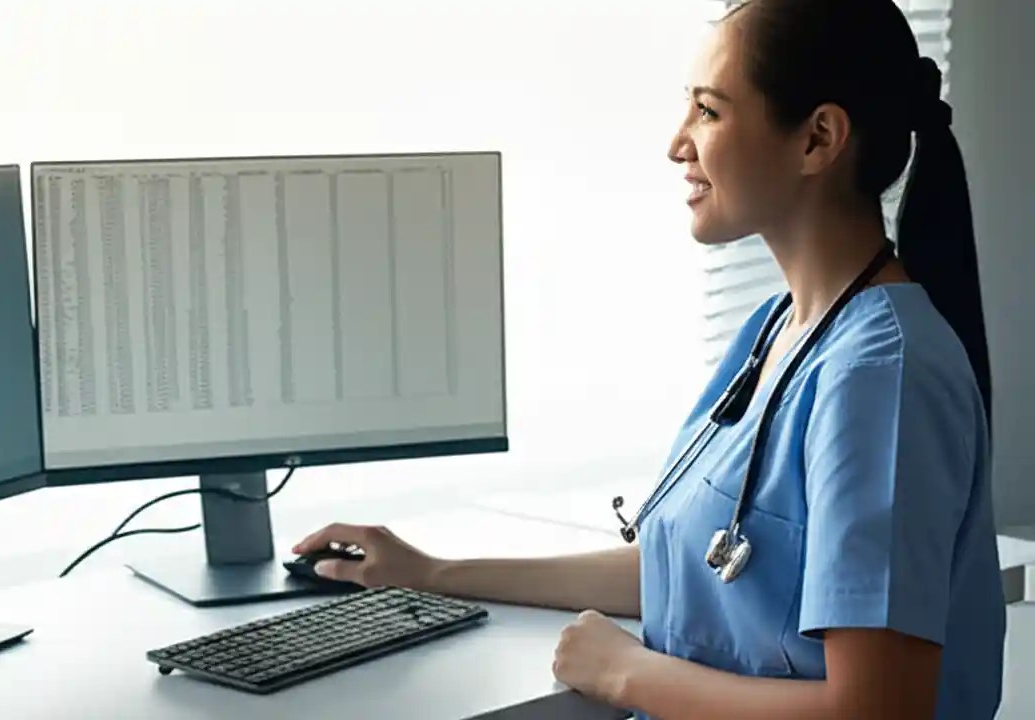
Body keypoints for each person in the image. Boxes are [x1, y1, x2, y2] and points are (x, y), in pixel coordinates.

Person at [293, 0, 1007, 717]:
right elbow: (696, 570)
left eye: (708, 111)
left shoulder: (880, 377)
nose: (677, 144)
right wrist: (435, 571)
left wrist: (625, 674)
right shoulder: (777, 331)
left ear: (817, 139)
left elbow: (878, 709)